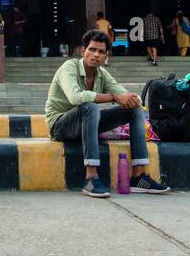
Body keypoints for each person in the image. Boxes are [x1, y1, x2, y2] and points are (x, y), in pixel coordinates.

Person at [46, 29, 170, 198]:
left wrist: (132, 100)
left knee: (134, 109)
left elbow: (123, 94)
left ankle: (138, 176)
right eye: (92, 50)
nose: (96, 55)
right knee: (90, 106)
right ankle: (91, 178)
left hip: (87, 124)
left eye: (101, 52)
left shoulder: (102, 74)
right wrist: (113, 97)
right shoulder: (69, 67)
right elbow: (76, 98)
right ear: (83, 51)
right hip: (60, 125)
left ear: (106, 57)